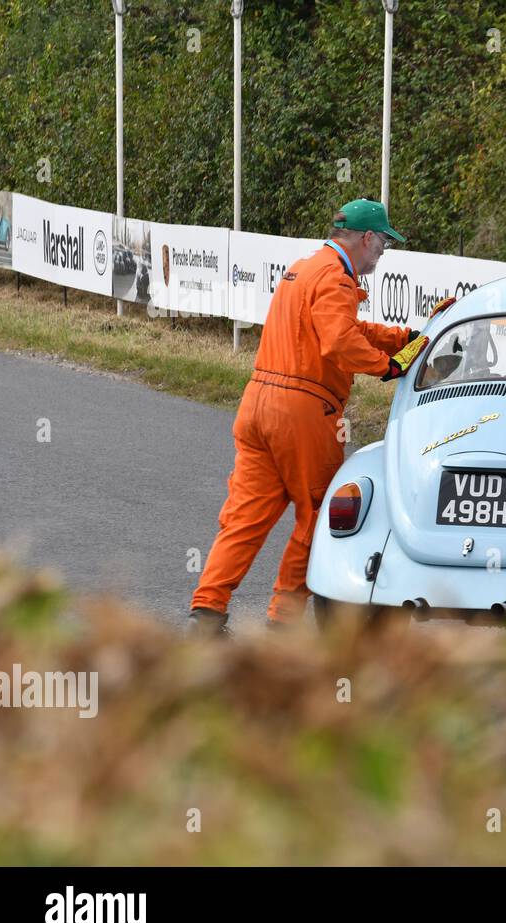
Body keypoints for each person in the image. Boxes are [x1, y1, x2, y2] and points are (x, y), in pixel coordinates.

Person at [187, 199, 414, 635]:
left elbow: (349, 330)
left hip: (257, 405)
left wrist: (402, 338)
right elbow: (340, 341)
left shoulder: (306, 268)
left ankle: (207, 614)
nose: (384, 250)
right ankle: (283, 624)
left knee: (244, 519)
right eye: (384, 240)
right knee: (317, 516)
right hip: (304, 411)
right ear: (366, 238)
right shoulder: (336, 278)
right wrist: (390, 366)